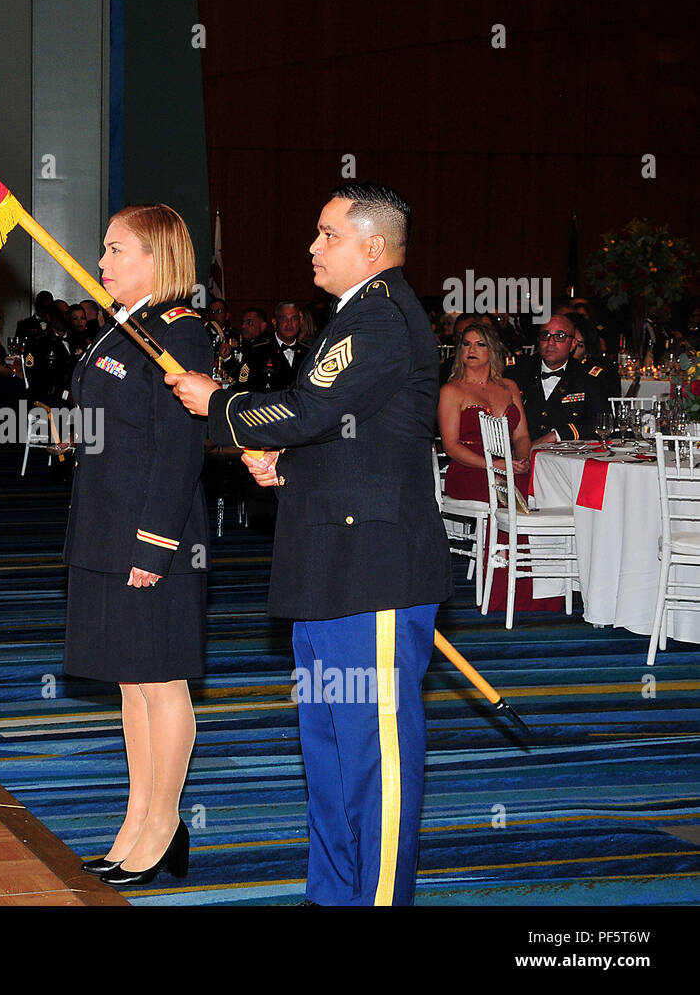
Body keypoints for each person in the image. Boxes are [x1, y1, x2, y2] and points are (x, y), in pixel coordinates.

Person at [165, 182, 452, 905]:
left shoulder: (383, 318)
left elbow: (313, 407)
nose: (312, 247)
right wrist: (286, 463)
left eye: (328, 234)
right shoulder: (352, 317)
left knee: (374, 759)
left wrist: (220, 402)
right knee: (327, 753)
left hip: (374, 569)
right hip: (330, 560)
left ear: (372, 248)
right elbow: (344, 428)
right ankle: (332, 895)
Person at [64, 203, 212, 887]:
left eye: (115, 250)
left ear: (156, 258)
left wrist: (154, 547)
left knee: (161, 681)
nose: (101, 263)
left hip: (154, 534)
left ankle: (164, 825)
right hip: (105, 524)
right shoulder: (125, 328)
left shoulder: (179, 333)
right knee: (131, 682)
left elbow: (179, 452)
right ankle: (135, 821)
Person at [439, 321, 561, 613]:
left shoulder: (509, 387)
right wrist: (494, 465)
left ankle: (549, 588)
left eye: (480, 344)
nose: (472, 350)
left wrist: (521, 459)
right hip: (469, 468)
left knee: (545, 489)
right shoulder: (452, 390)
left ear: (492, 351)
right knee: (506, 495)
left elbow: (521, 436)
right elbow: (451, 446)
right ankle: (506, 594)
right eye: (466, 344)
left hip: (509, 464)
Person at [511, 314, 612, 444]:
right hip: (518, 457)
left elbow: (602, 424)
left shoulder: (588, 378)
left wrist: (557, 435)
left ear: (572, 344)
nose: (550, 342)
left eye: (560, 336)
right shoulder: (518, 373)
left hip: (565, 457)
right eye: (545, 335)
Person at [261, 301, 310, 390]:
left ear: (300, 322)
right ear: (275, 322)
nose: (289, 324)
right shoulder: (258, 352)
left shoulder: (309, 353)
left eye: (294, 318)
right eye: (284, 319)